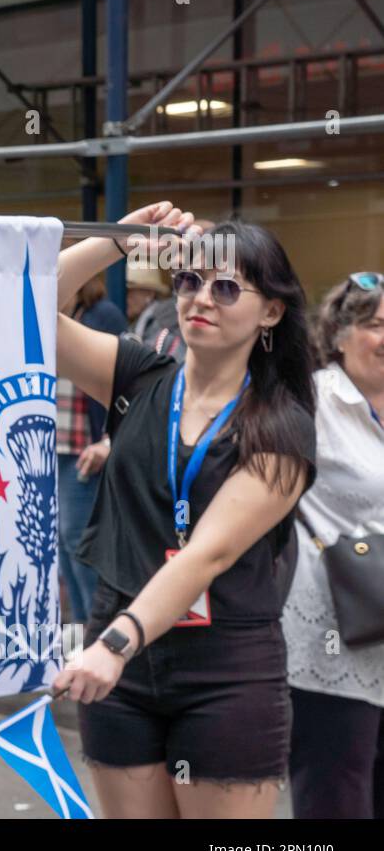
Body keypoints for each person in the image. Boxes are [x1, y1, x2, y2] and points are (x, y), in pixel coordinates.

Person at [52, 205, 318, 818]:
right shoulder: (140, 376)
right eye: (190, 281)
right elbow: (28, 307)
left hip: (224, 672)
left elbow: (208, 553)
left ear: (271, 311)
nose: (202, 298)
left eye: (226, 287)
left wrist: (114, 645)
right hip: (121, 666)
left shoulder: (281, 426)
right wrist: (122, 241)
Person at [282, 271, 384, 818]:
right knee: (335, 795)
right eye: (376, 325)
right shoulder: (313, 401)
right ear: (340, 334)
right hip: (333, 635)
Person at [56, 277, 125, 623]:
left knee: (79, 538)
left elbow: (122, 380)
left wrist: (110, 439)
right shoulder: (47, 312)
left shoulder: (102, 315)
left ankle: (98, 627)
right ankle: (83, 631)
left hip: (85, 444)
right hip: (53, 446)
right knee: (63, 545)